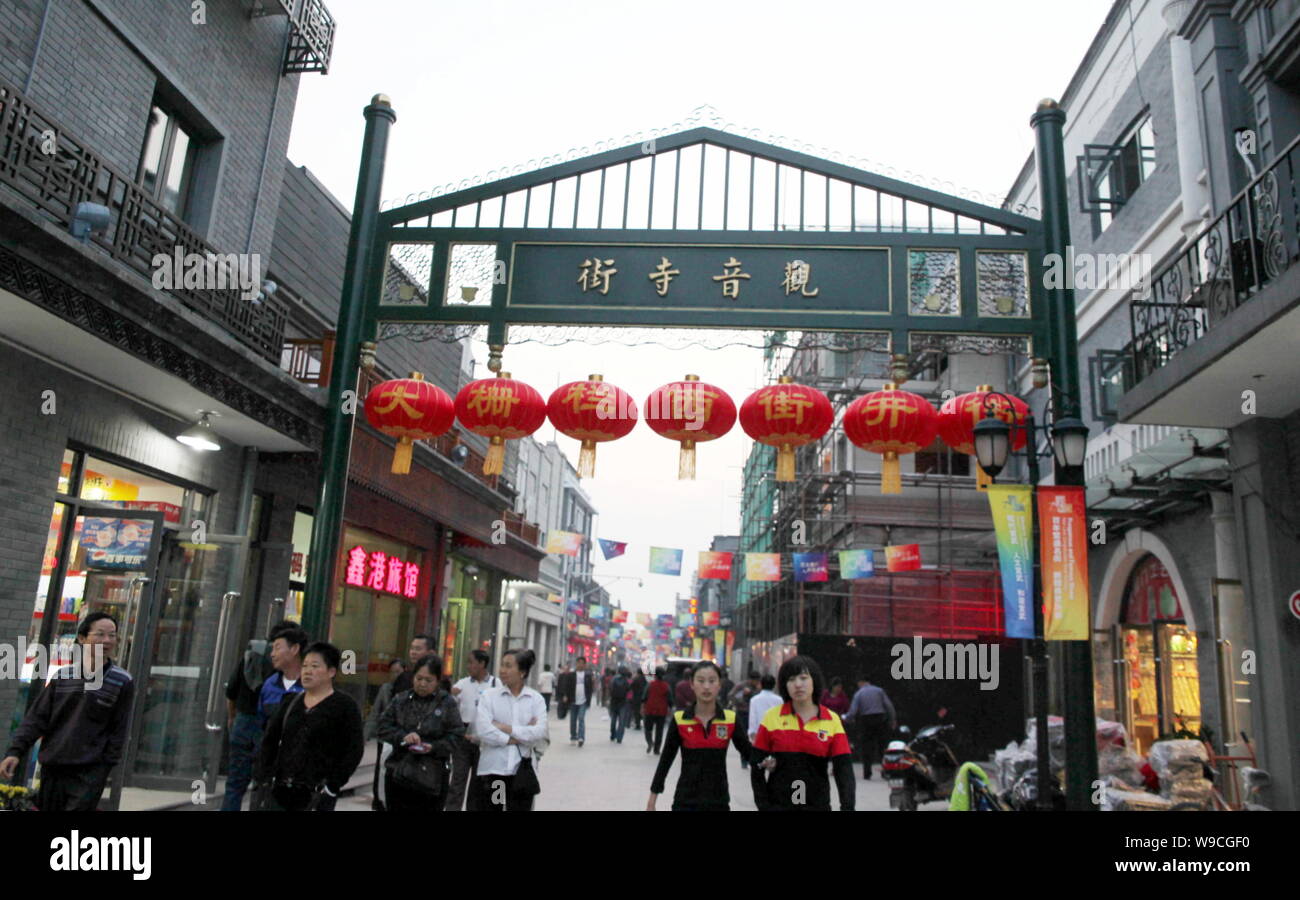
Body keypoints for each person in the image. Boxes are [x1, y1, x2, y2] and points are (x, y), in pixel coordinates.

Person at [1, 612, 134, 811]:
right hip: (54, 765)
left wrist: (105, 766)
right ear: (82, 638)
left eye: (112, 635)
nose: (107, 640)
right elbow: (37, 718)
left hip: (90, 769)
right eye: (100, 634)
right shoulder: (63, 676)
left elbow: (119, 729)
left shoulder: (122, 681)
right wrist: (15, 752)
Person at [256, 642, 364, 811]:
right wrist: (265, 777)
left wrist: (332, 785)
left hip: (316, 795)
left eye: (315, 666)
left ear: (331, 671)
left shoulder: (345, 706)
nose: (307, 671)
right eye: (304, 666)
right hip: (279, 792)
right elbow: (270, 740)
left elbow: (354, 750)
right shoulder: (291, 702)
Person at [647, 661, 758, 811]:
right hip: (684, 802)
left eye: (712, 681)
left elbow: (749, 754)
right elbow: (666, 760)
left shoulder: (730, 719)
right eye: (701, 681)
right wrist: (652, 800)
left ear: (719, 685)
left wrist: (771, 760)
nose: (706, 686)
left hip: (718, 802)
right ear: (692, 684)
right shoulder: (680, 719)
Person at [751, 656, 855, 811]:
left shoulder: (831, 720)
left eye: (804, 678)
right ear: (785, 685)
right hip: (779, 805)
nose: (798, 684)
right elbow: (756, 766)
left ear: (815, 681)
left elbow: (844, 770)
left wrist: (847, 806)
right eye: (791, 679)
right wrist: (763, 805)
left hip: (817, 806)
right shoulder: (771, 718)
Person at [378, 653, 464, 812]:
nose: (422, 684)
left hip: (432, 775)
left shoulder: (447, 703)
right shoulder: (401, 699)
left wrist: (433, 747)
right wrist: (403, 737)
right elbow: (382, 727)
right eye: (419, 678)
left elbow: (457, 735)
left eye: (428, 680)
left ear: (438, 681)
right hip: (399, 771)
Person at [476, 649, 548, 811]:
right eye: (502, 665)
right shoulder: (489, 697)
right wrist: (517, 737)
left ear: (522, 672)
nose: (502, 670)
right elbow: (484, 730)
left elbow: (538, 733)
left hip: (521, 771)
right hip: (495, 771)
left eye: (508, 666)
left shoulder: (535, 700)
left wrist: (503, 727)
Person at [220, 624, 281, 811]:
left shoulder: (249, 657)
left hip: (243, 720)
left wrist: (232, 717)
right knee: (262, 782)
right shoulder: (281, 665)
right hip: (266, 726)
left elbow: (231, 691)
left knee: (235, 784)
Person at [446, 649, 499, 811]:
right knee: (458, 779)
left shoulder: (496, 685)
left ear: (482, 664)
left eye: (471, 662)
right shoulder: (462, 684)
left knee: (478, 782)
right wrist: (450, 694)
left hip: (484, 739)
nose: (468, 666)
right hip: (463, 736)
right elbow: (448, 705)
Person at [365, 657, 406, 811]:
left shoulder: (408, 689)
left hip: (401, 736)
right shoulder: (385, 689)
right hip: (385, 735)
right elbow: (375, 712)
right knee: (380, 767)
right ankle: (378, 799)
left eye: (398, 671)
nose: (395, 675)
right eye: (392, 672)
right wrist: (366, 735)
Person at [845, 675, 896, 780]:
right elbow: (889, 706)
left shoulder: (859, 693)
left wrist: (848, 719)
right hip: (880, 719)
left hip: (866, 721)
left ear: (861, 682)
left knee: (867, 747)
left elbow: (853, 711)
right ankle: (886, 771)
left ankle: (867, 773)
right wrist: (892, 720)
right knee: (883, 747)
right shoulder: (879, 691)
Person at [258, 625, 309, 727]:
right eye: (272, 649)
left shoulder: (311, 685)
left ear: (294, 649)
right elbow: (261, 720)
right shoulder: (270, 684)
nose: (272, 654)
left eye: (277, 648)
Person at [557, 656, 594, 747]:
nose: (580, 665)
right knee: (573, 720)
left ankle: (581, 737)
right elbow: (566, 686)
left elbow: (590, 689)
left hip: (583, 701)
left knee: (581, 718)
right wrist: (565, 695)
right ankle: (573, 736)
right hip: (573, 700)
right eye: (579, 663)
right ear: (576, 664)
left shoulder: (587, 676)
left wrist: (588, 700)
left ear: (585, 665)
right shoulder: (571, 675)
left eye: (582, 663)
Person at [728, 671, 762, 768]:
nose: (757, 683)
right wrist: (741, 698)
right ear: (751, 680)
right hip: (743, 712)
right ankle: (744, 760)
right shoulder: (741, 686)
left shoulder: (759, 688)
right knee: (744, 736)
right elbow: (730, 695)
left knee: (756, 736)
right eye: (755, 681)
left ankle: (756, 758)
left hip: (754, 713)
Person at [642, 666, 671, 755]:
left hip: (650, 710)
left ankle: (650, 742)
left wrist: (642, 707)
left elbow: (644, 697)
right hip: (661, 711)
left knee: (648, 729)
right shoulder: (667, 686)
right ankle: (657, 749)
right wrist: (670, 709)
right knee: (659, 731)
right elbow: (670, 700)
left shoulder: (650, 684)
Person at [746, 674, 782, 740]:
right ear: (774, 685)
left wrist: (752, 734)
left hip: (759, 734)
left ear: (761, 684)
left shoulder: (754, 700)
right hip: (775, 734)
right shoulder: (780, 700)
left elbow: (752, 719)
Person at [608, 667, 629, 743]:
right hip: (623, 703)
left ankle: (613, 735)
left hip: (614, 702)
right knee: (621, 722)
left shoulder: (613, 679)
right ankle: (619, 738)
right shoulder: (626, 681)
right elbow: (628, 690)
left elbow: (610, 689)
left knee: (613, 720)